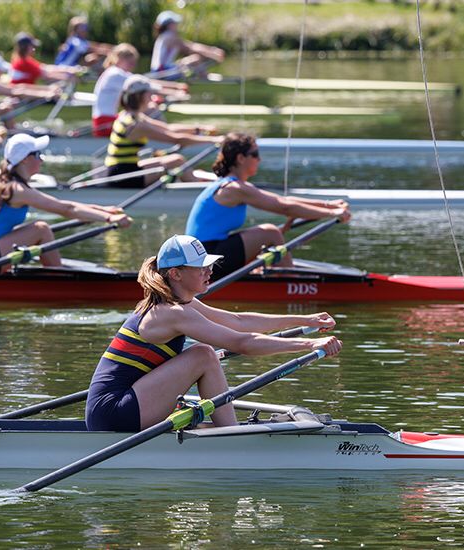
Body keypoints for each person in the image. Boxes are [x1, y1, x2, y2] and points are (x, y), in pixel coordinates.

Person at [85, 234, 342, 432]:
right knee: (203, 355)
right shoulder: (172, 312)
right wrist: (309, 344)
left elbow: (237, 321)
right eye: (200, 267)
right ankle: (231, 437)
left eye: (208, 265)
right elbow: (241, 342)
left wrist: (305, 318)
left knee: (203, 355)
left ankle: (227, 431)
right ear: (175, 273)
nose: (209, 271)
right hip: (113, 412)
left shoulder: (179, 303)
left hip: (122, 405)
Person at [185, 132, 352, 280]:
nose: (259, 159)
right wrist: (333, 213)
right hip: (205, 259)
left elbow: (284, 201)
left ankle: (279, 273)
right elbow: (284, 207)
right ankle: (290, 282)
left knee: (272, 234)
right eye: (255, 154)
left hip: (204, 255)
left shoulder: (230, 185)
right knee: (271, 232)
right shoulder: (234, 188)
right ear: (240, 158)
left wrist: (329, 206)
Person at [0, 134, 132, 269]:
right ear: (26, 159)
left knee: (41, 229)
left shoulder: (12, 184)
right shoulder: (17, 190)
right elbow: (66, 209)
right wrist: (109, 219)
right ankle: (59, 278)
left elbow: (63, 204)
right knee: (41, 229)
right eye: (38, 154)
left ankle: (55, 271)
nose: (41, 159)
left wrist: (104, 211)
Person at [103, 75, 219, 187]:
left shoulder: (129, 115)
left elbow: (168, 128)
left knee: (173, 161)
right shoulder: (135, 124)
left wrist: (199, 129)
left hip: (123, 169)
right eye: (149, 93)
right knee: (177, 161)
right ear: (140, 96)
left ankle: (192, 180)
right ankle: (197, 191)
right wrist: (214, 140)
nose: (152, 97)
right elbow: (175, 139)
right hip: (122, 176)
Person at [92, 43, 191, 137]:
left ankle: (166, 135)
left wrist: (176, 86)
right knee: (151, 108)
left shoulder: (116, 72)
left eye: (134, 63)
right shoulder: (115, 74)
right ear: (120, 59)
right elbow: (146, 85)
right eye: (130, 63)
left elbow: (145, 81)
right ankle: (167, 137)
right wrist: (175, 92)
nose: (133, 66)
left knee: (144, 109)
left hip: (106, 120)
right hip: (104, 123)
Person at [150, 10, 225, 76]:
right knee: (195, 59)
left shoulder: (164, 36)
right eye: (175, 23)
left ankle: (204, 76)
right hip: (161, 72)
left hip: (160, 70)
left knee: (187, 62)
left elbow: (191, 46)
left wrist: (211, 51)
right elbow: (191, 47)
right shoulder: (170, 37)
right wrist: (213, 53)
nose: (177, 25)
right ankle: (206, 77)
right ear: (169, 25)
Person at [10, 32, 81, 85]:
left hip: (27, 92)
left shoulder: (24, 60)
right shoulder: (22, 63)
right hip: (22, 98)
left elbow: (45, 68)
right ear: (26, 47)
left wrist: (70, 70)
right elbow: (46, 75)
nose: (34, 49)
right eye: (32, 46)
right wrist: (69, 77)